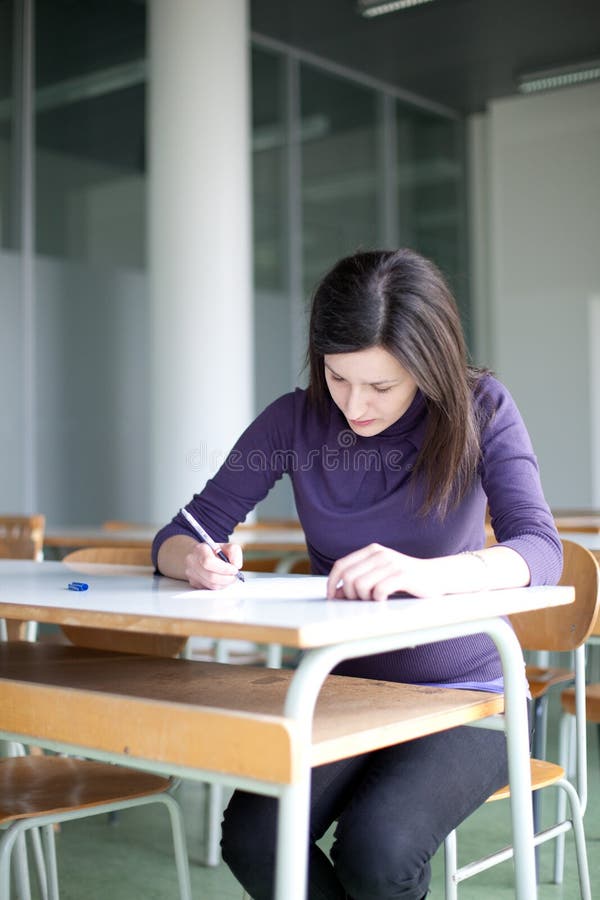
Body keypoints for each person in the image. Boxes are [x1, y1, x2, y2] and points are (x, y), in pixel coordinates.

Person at [152, 248, 561, 900]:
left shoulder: (482, 407)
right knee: (255, 840)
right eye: (339, 378)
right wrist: (193, 561)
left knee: (379, 849)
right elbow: (179, 535)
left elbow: (541, 549)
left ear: (429, 366)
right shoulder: (294, 420)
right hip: (340, 692)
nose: (355, 406)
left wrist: (437, 574)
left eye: (381, 386)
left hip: (469, 697)